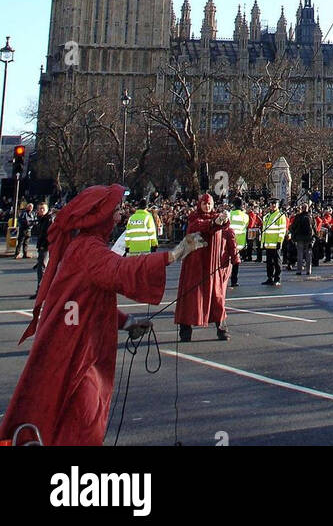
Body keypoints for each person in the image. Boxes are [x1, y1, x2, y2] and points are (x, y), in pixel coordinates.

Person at [0, 185, 202, 446]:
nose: (119, 216)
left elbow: (91, 300)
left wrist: (126, 322)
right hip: (77, 352)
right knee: (84, 417)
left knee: (69, 414)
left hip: (76, 346)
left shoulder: (85, 246)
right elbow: (118, 271)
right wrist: (174, 255)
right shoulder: (88, 249)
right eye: (116, 210)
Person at [175, 192, 239, 341]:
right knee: (191, 298)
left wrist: (234, 254)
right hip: (195, 267)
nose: (207, 206)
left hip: (212, 267)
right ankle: (185, 329)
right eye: (204, 204)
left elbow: (229, 233)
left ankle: (221, 328)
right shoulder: (194, 219)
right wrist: (215, 222)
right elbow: (200, 227)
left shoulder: (217, 219)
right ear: (200, 204)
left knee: (217, 297)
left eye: (209, 204)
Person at [261, 199, 287, 286]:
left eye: (274, 204)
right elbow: (264, 230)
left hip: (275, 243)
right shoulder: (267, 216)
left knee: (277, 262)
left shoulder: (280, 215)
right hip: (268, 243)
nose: (273, 206)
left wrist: (280, 241)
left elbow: (282, 230)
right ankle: (270, 278)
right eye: (271, 204)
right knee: (269, 263)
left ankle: (277, 278)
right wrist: (263, 242)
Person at [291, 203, 316, 277]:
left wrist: (294, 235)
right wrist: (314, 236)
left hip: (299, 237)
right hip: (308, 237)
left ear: (301, 208)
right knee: (308, 254)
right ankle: (308, 270)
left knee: (300, 254)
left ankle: (299, 270)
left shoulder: (298, 216)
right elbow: (314, 226)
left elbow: (293, 226)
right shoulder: (311, 216)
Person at [33, 202, 51, 297]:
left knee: (42, 268)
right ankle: (42, 290)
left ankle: (41, 291)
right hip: (42, 246)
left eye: (43, 208)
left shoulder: (48, 220)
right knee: (42, 268)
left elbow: (48, 234)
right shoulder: (42, 219)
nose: (41, 210)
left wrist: (44, 245)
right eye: (40, 208)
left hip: (46, 247)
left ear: (47, 209)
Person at [229, 198, 250, 278]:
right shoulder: (245, 216)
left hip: (230, 241)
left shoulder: (229, 214)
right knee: (236, 261)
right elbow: (246, 225)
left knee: (228, 261)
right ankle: (234, 280)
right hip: (240, 242)